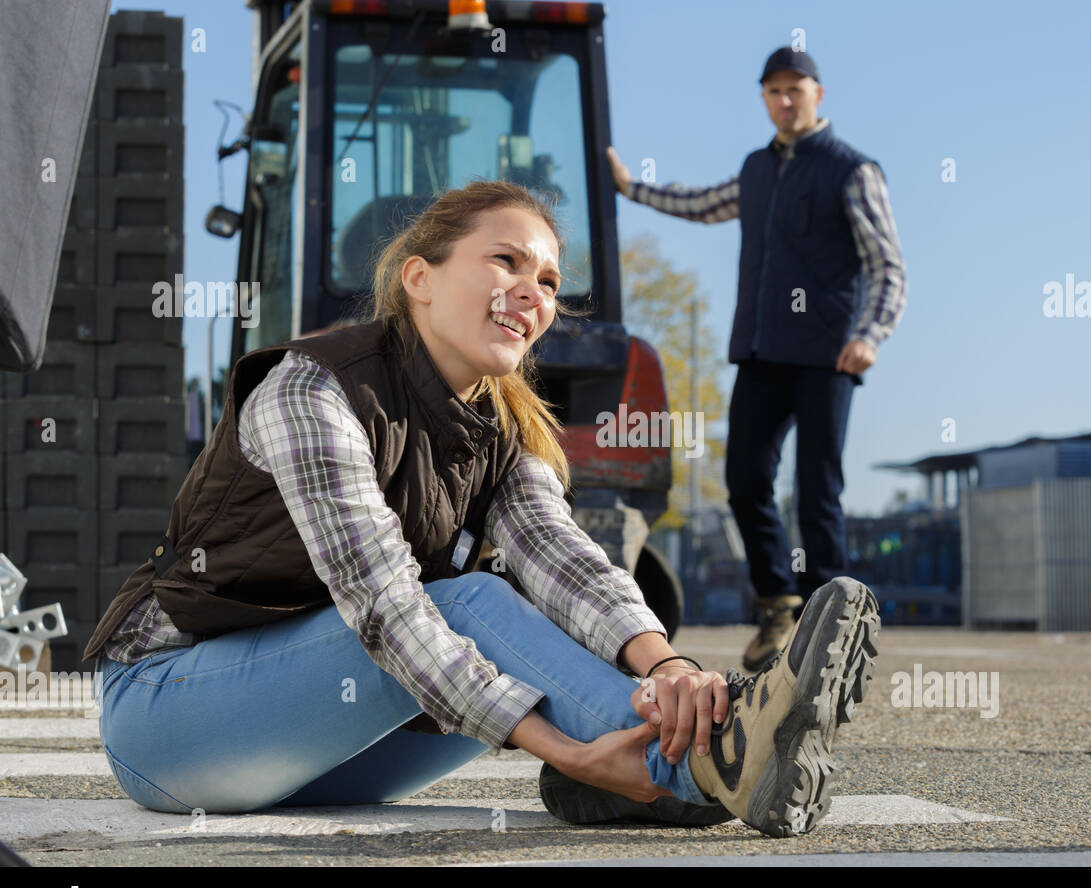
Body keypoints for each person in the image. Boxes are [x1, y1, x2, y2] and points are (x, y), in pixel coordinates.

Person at [84, 180, 881, 838]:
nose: (531, 294)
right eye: (505, 261)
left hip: (312, 742)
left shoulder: (501, 428)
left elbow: (565, 563)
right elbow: (388, 609)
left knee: (550, 626)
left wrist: (667, 667)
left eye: (547, 283)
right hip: (172, 722)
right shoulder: (313, 389)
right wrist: (559, 752)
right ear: (420, 279)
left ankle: (653, 767)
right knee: (465, 609)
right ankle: (709, 757)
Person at [607, 47, 907, 673]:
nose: (784, 101)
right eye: (773, 91)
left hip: (829, 356)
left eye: (795, 90)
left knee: (817, 491)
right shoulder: (755, 170)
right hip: (761, 351)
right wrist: (633, 189)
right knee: (744, 479)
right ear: (764, 98)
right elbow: (703, 204)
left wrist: (870, 335)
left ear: (818, 94)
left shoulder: (852, 170)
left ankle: (835, 627)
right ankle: (778, 605)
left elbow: (888, 266)